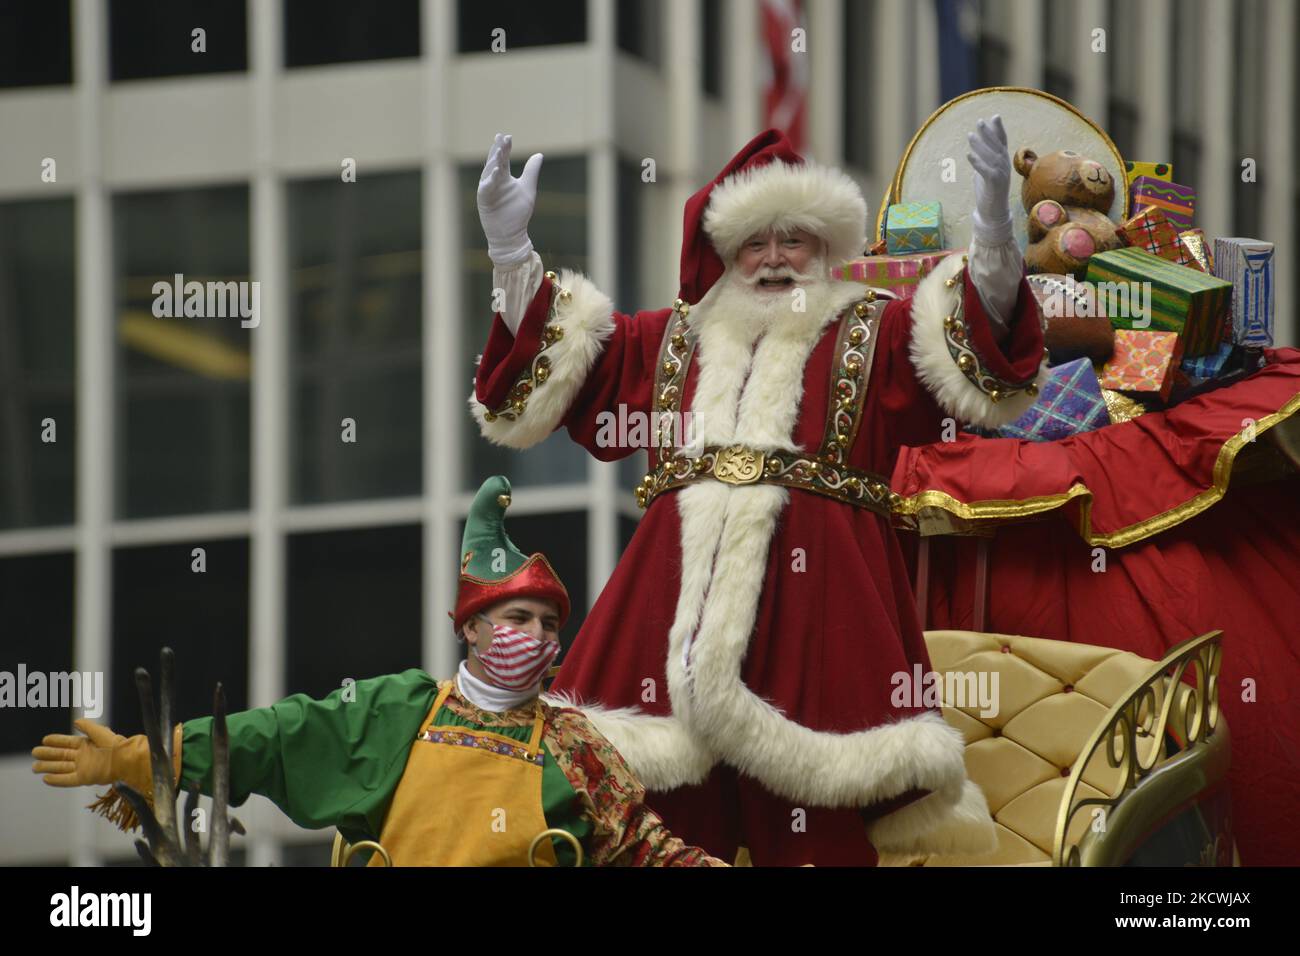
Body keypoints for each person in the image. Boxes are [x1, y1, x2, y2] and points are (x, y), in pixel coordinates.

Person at [469, 119, 1046, 865]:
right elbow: (545, 369)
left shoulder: (878, 330)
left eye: (792, 240)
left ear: (825, 248)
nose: (773, 259)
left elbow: (984, 332)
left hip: (822, 613)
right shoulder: (667, 340)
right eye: (754, 243)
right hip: (670, 604)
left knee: (817, 818)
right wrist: (512, 253)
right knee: (640, 820)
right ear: (727, 254)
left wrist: (995, 223)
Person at [31, 476, 727, 867]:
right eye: (518, 619)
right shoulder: (403, 710)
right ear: (473, 627)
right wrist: (136, 759)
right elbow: (272, 737)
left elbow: (647, 852)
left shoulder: (576, 746)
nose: (537, 637)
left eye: (549, 625)